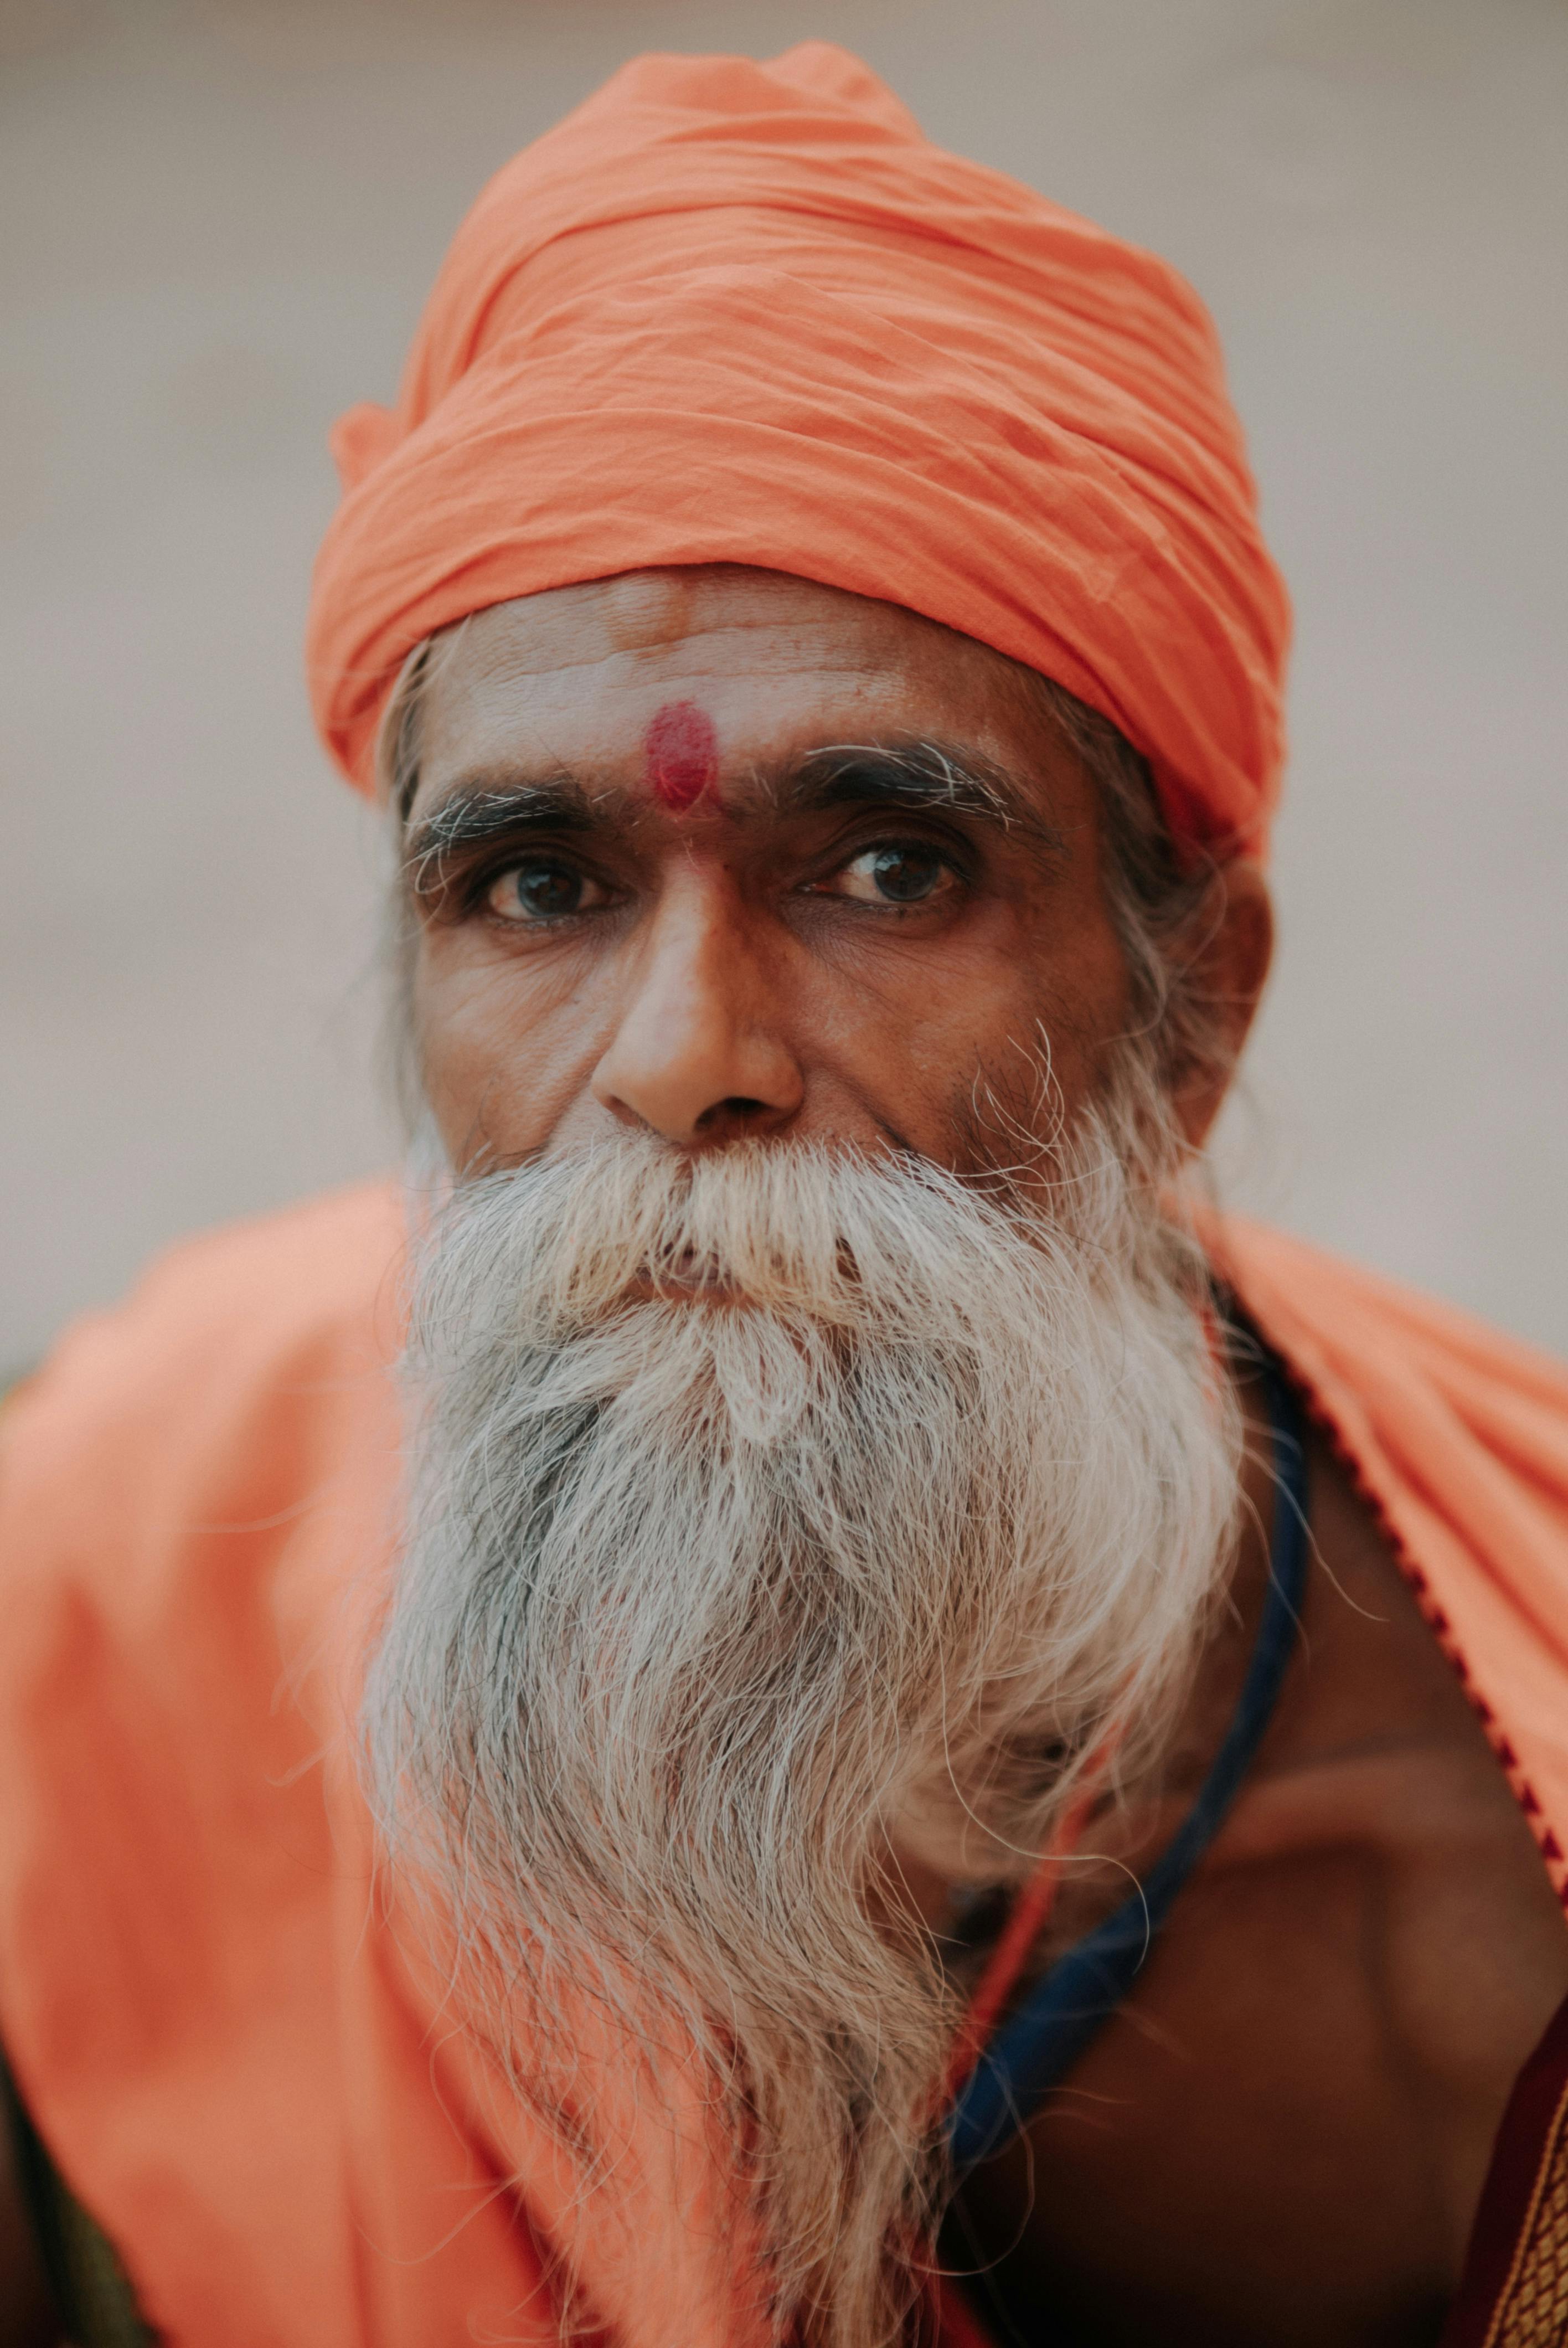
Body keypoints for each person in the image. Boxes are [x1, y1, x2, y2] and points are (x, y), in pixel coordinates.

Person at [2, 42, 1566, 2348]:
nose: (684, 1060)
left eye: (888, 862)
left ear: (1193, 1002)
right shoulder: (113, 1575)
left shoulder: (1483, 1922)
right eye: (537, 884)